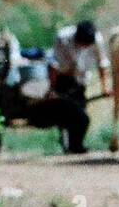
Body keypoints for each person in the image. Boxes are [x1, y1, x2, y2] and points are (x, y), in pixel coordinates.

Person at [46, 19, 112, 153]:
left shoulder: (96, 40)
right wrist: (52, 89)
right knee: (79, 116)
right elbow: (53, 66)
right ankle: (74, 145)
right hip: (63, 79)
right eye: (83, 44)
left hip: (81, 80)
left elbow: (102, 64)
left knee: (79, 110)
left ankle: (74, 145)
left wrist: (105, 87)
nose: (85, 48)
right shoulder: (63, 37)